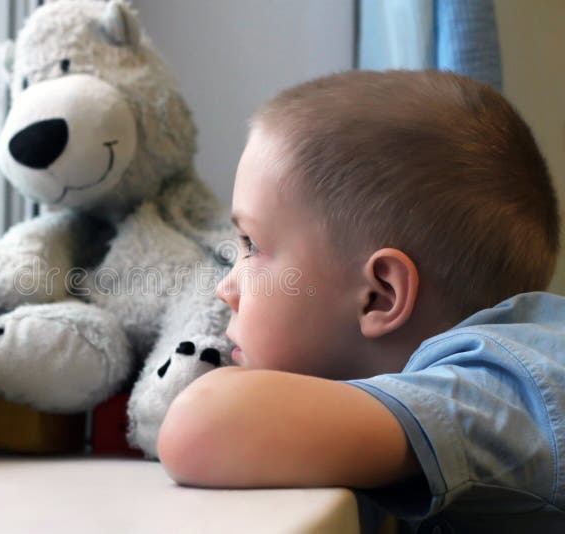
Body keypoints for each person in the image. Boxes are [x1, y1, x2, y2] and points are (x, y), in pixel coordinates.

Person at [157, 70, 564, 532]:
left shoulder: (500, 388)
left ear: (378, 296)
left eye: (251, 244)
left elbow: (201, 428)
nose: (225, 288)